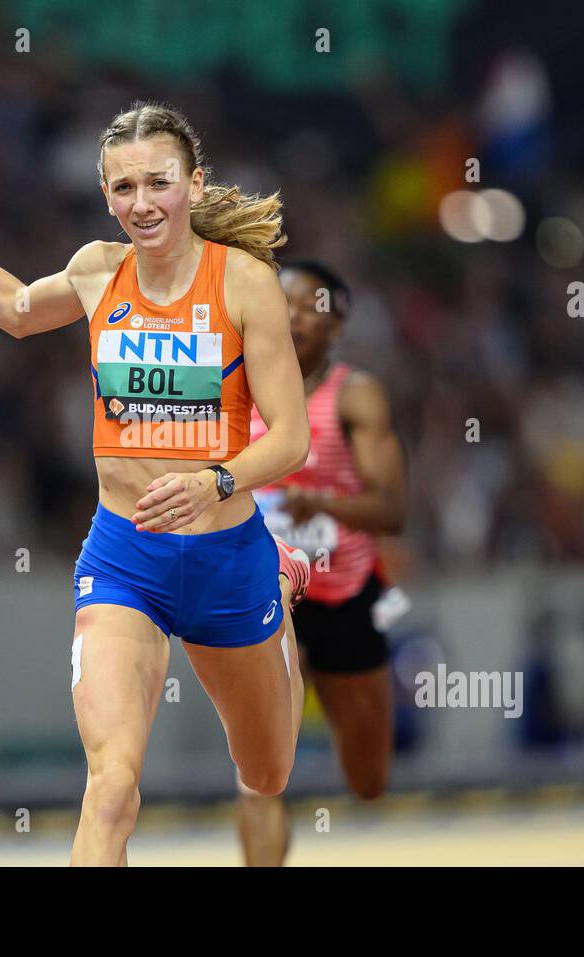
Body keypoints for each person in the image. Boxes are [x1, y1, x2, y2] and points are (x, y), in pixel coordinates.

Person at [0, 100, 313, 866]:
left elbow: (292, 439)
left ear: (195, 186)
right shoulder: (98, 271)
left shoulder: (244, 284)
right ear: (105, 195)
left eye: (159, 183)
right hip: (125, 559)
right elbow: (12, 307)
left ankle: (284, 586)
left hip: (228, 560)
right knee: (110, 790)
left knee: (265, 770)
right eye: (124, 187)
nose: (142, 204)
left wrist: (216, 481)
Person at [243, 260, 408, 866]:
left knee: (368, 779)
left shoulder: (355, 396)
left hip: (344, 593)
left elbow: (393, 509)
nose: (290, 316)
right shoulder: (238, 391)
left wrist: (321, 503)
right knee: (259, 775)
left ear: (336, 324)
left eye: (308, 306)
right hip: (267, 597)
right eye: (280, 302)